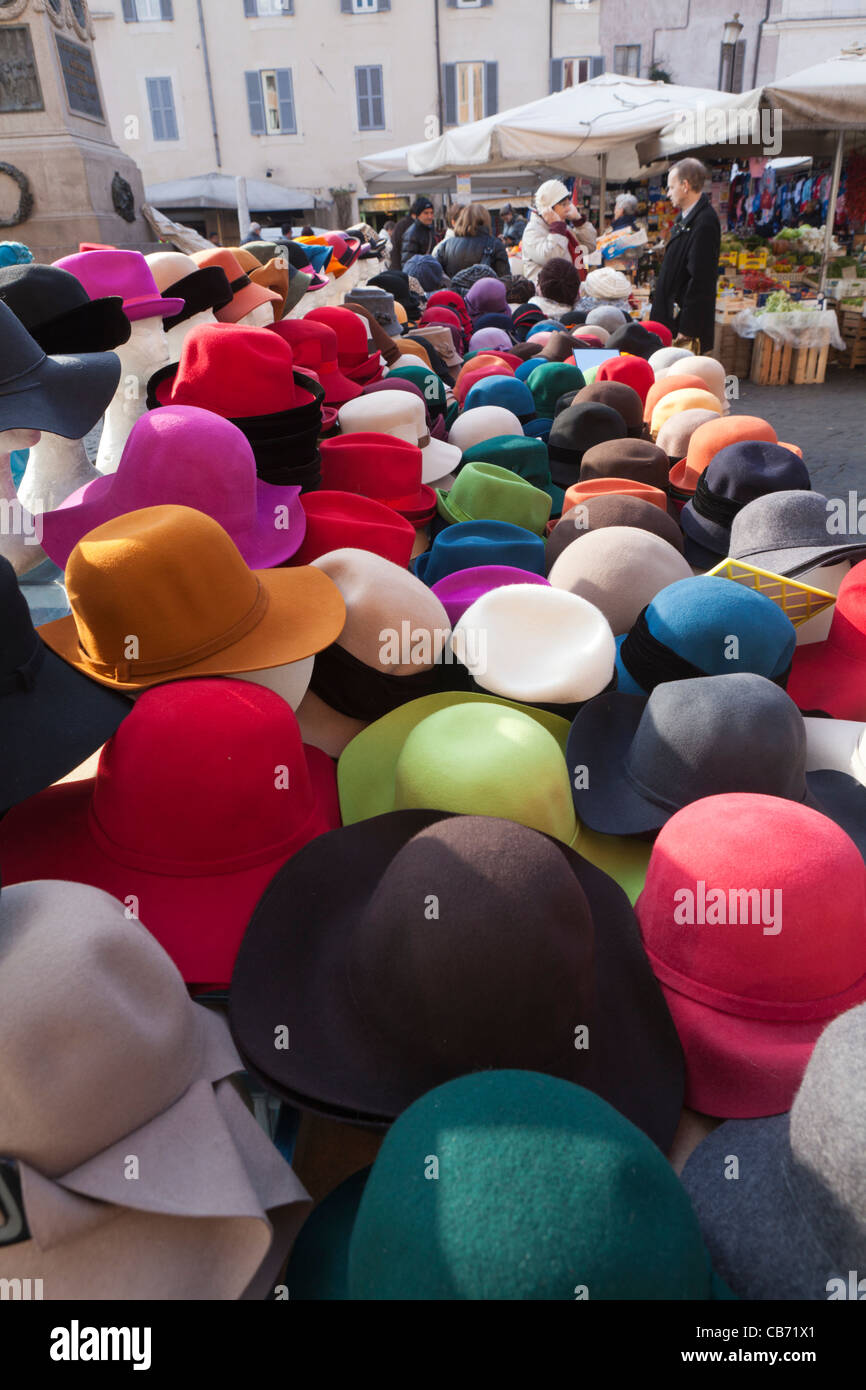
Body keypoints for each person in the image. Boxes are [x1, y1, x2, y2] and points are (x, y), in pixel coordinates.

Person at [650, 158, 721, 355]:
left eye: (671, 187)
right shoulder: (685, 217)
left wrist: (688, 327)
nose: (668, 193)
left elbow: (701, 278)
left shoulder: (704, 222)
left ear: (685, 186)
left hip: (683, 325)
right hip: (671, 318)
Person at [521, 179, 597, 285]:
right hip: (547, 297)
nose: (568, 208)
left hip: (569, 293)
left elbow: (589, 246)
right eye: (563, 204)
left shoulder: (563, 228)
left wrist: (579, 221)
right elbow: (553, 260)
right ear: (549, 208)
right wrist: (556, 229)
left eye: (568, 203)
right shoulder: (533, 230)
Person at [435, 202, 510, 280]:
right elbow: (505, 279)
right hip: (485, 291)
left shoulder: (446, 245)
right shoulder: (496, 245)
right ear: (487, 220)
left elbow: (435, 275)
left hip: (453, 291)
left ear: (462, 219)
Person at [396, 197, 436, 270]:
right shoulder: (412, 233)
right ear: (418, 215)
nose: (430, 216)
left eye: (431, 213)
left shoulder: (430, 229)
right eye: (426, 213)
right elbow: (408, 261)